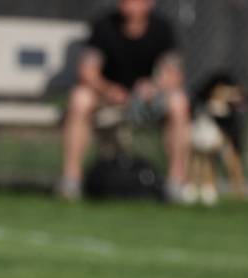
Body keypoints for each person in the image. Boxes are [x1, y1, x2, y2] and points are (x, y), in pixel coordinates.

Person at [58, 0, 190, 202]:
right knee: (80, 98)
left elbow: (174, 75)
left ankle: (176, 184)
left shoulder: (162, 28)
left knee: (179, 102)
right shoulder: (104, 26)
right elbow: (87, 71)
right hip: (108, 99)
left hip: (146, 101)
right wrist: (108, 89)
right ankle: (71, 180)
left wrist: (153, 87)